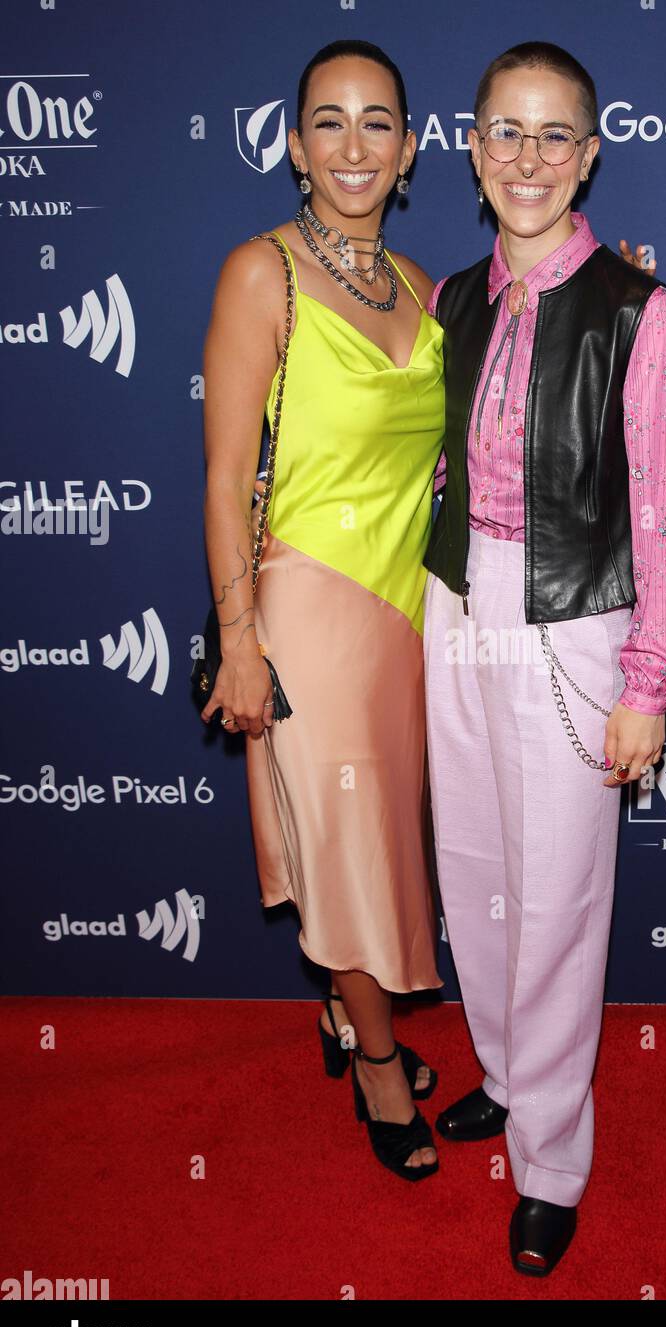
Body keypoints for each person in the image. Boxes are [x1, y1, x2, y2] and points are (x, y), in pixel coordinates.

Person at [422, 42, 666, 1271]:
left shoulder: (640, 311)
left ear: (587, 156)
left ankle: (549, 1158)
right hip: (457, 601)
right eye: (505, 133)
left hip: (574, 619)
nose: (527, 158)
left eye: (554, 136)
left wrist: (650, 680)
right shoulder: (453, 297)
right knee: (476, 864)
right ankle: (499, 1067)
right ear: (474, 152)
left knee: (557, 894)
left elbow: (665, 507)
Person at [201, 40, 445, 1180]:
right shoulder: (265, 272)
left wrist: (615, 286)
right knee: (347, 857)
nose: (355, 145)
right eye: (329, 122)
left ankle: (347, 1015)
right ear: (296, 148)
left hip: (412, 620)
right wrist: (238, 639)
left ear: (407, 152)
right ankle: (378, 1065)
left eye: (378, 123)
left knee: (390, 846)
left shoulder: (423, 290)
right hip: (306, 617)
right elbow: (220, 474)